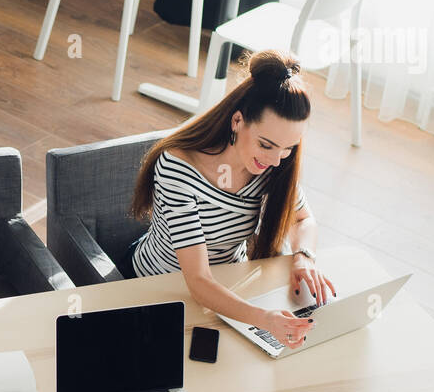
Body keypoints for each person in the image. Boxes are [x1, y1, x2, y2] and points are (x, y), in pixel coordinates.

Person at [129, 49, 335, 350]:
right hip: (161, 288)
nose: (276, 160)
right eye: (267, 144)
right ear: (237, 121)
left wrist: (304, 257)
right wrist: (265, 319)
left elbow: (304, 219)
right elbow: (198, 280)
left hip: (231, 291)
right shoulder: (179, 167)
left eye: (288, 148)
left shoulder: (270, 167)